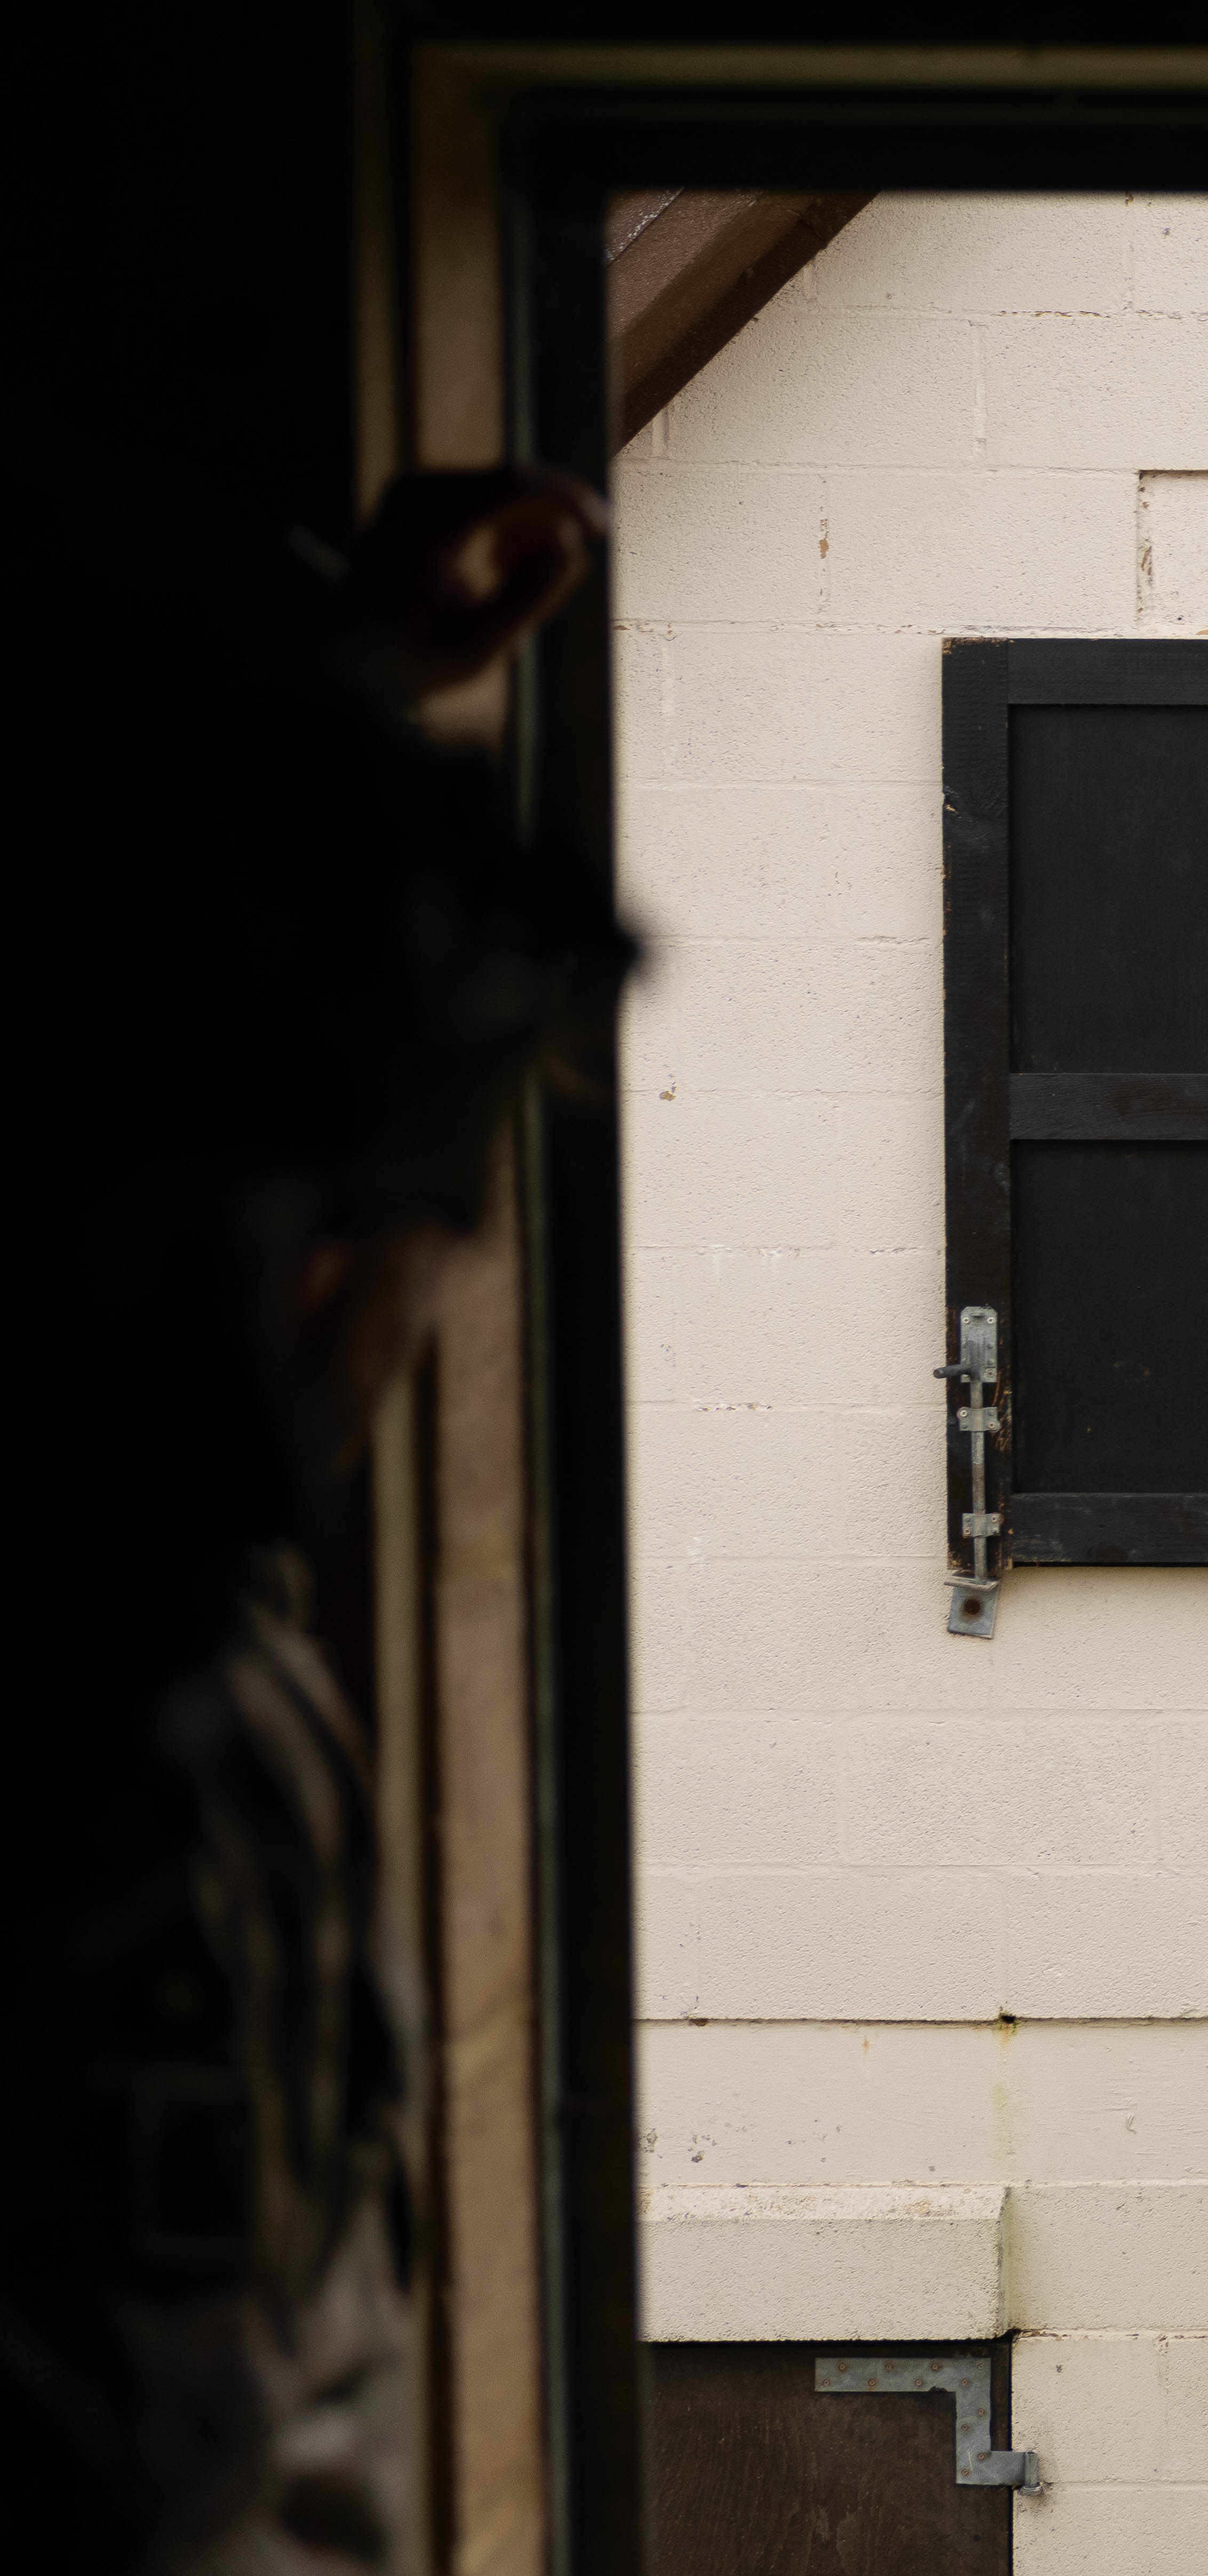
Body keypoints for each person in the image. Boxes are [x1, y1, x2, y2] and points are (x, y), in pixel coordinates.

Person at [15, 462, 627, 2576]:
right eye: (415, 1195)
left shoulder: (128, 1604)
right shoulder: (131, 1793)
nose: (430, 1272)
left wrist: (337, 690)